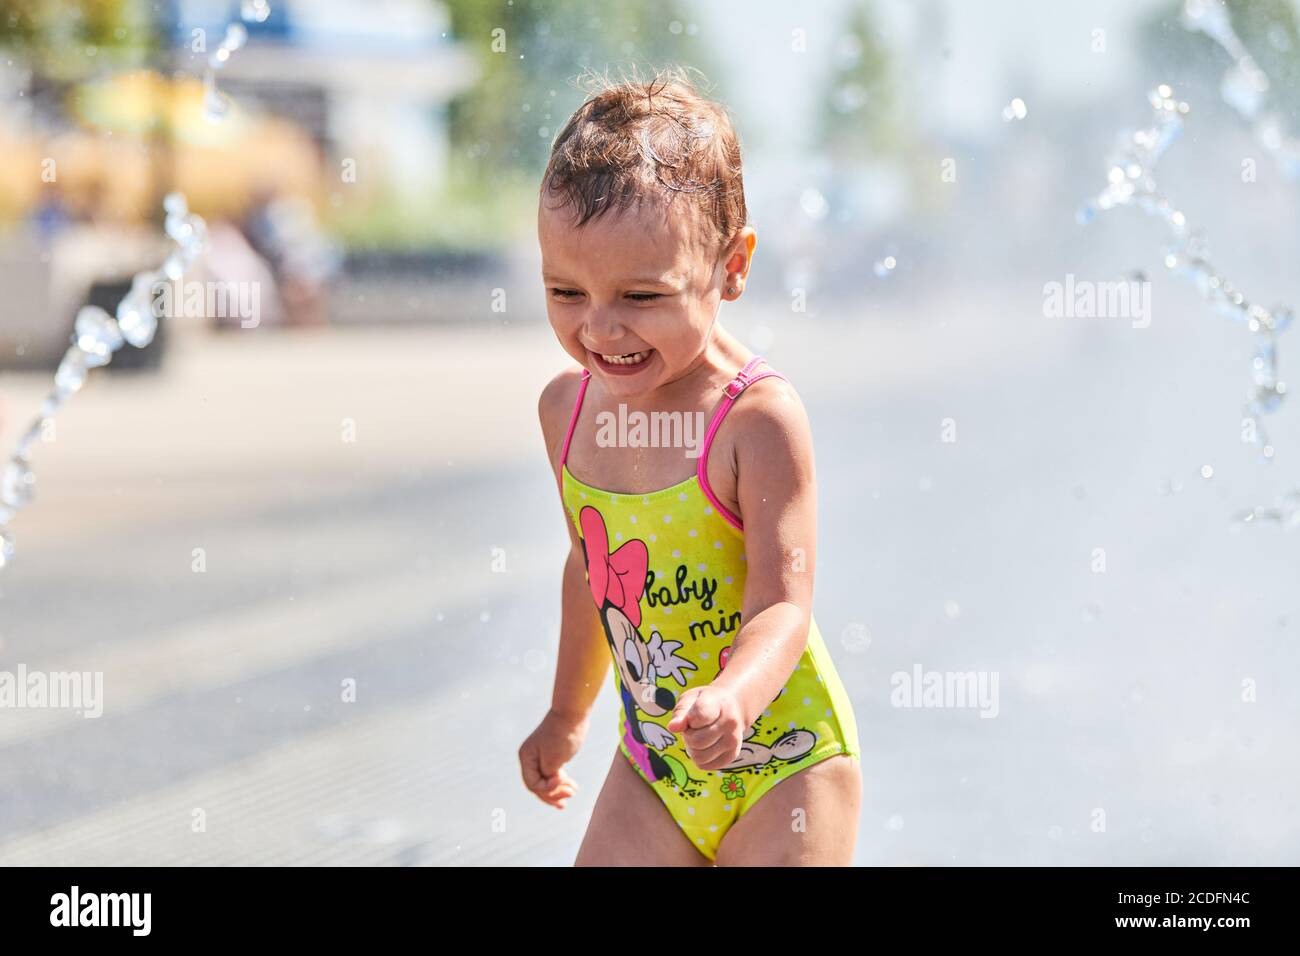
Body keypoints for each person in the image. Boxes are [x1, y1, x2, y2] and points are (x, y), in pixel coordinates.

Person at [519, 67, 862, 866]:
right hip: (656, 767)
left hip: (786, 760)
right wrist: (567, 717)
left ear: (732, 267)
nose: (600, 329)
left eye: (641, 297)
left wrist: (734, 698)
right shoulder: (565, 414)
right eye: (565, 290)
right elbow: (590, 571)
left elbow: (784, 600)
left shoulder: (756, 420)